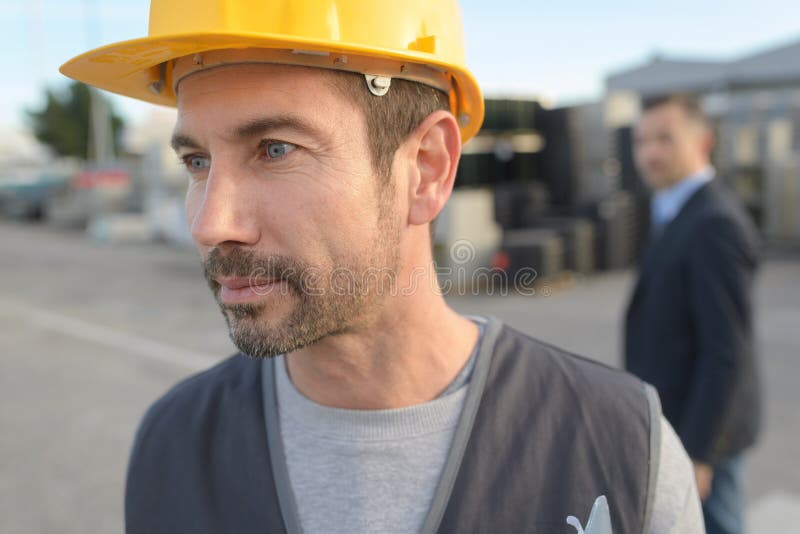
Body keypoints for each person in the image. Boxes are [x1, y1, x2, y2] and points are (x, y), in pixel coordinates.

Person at [62, 2, 703, 533]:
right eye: (197, 161)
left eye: (275, 149)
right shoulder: (172, 448)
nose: (209, 223)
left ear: (426, 168)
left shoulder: (620, 450)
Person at [625, 93, 762, 534]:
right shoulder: (675, 210)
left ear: (702, 142)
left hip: (700, 434)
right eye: (642, 141)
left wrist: (700, 452)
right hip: (678, 427)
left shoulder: (713, 224)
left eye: (665, 138)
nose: (650, 152)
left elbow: (727, 352)